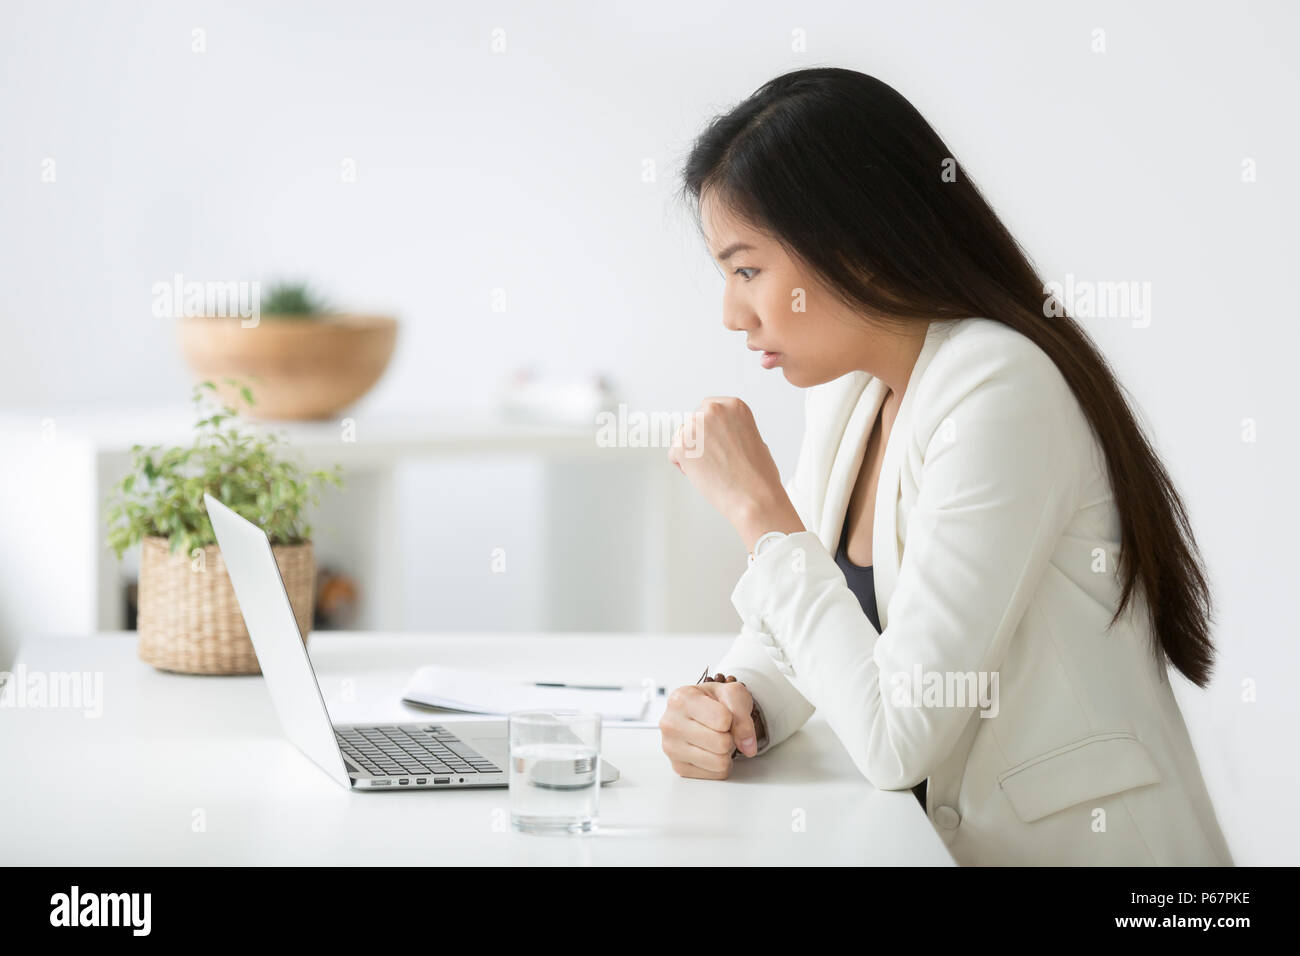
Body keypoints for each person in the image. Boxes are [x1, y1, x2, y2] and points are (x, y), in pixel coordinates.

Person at [657, 67, 1233, 866]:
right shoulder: (853, 389)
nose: (730, 312)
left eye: (747, 269)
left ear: (850, 242)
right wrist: (737, 697)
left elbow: (898, 733)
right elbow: (833, 631)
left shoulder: (1000, 388)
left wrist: (762, 515)